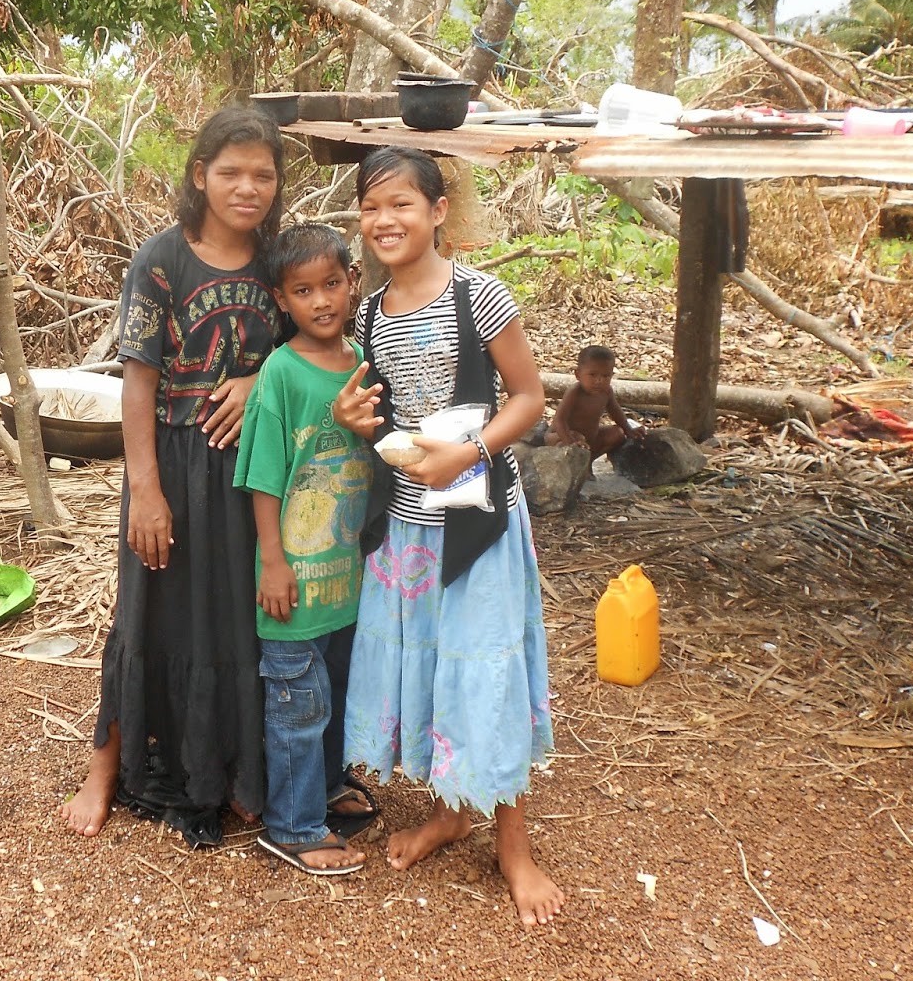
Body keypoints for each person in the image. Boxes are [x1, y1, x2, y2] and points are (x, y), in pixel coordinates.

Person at [332, 145, 563, 927]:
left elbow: (529, 399)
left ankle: (515, 846)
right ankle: (449, 810)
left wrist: (472, 451)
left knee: (486, 675)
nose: (384, 220)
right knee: (434, 673)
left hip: (477, 521)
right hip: (406, 525)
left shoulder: (480, 297)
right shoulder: (368, 313)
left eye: (401, 204)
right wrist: (355, 419)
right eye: (371, 206)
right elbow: (378, 412)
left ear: (437, 212)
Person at [60, 107, 286, 848]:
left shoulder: (277, 262)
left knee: (233, 621)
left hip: (251, 473)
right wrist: (146, 490)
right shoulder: (162, 260)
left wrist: (257, 381)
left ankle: (236, 772)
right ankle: (105, 768)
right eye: (230, 172)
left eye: (262, 174)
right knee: (146, 611)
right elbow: (137, 384)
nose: (246, 188)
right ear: (200, 176)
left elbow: (310, 343)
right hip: (173, 465)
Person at [233, 224, 378, 876]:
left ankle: (323, 787)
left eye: (332, 284)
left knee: (335, 692)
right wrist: (271, 560)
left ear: (352, 283)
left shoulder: (359, 362)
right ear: (280, 299)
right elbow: (264, 475)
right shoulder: (281, 375)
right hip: (291, 578)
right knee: (297, 704)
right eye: (303, 290)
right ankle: (292, 825)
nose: (322, 301)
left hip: (342, 578)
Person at [545, 344, 645, 460]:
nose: (599, 381)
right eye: (592, 375)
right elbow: (559, 420)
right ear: (578, 374)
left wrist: (629, 430)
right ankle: (576, 465)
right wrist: (570, 442)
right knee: (577, 438)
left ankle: (589, 460)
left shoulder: (606, 392)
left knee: (617, 433)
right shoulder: (575, 392)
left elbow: (615, 412)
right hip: (561, 436)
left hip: (590, 438)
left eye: (606, 376)